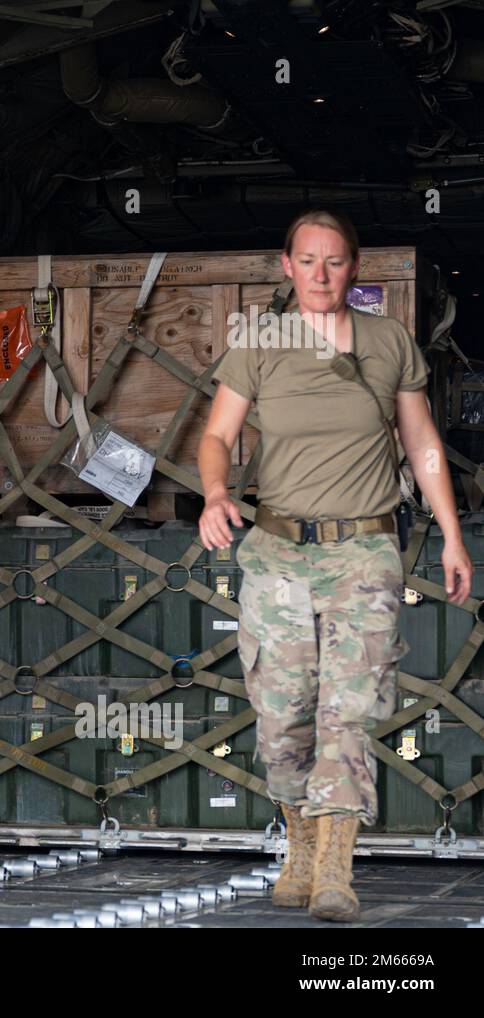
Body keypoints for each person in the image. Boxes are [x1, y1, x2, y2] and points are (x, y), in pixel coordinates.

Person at [198, 208, 472, 922]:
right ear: (286, 267)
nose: (322, 275)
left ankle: (333, 870)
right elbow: (218, 435)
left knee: (347, 711)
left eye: (336, 261)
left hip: (364, 550)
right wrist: (216, 491)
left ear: (356, 269)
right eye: (308, 261)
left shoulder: (388, 342)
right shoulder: (259, 344)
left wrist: (450, 532)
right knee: (282, 717)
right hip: (280, 551)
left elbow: (423, 443)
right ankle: (299, 845)